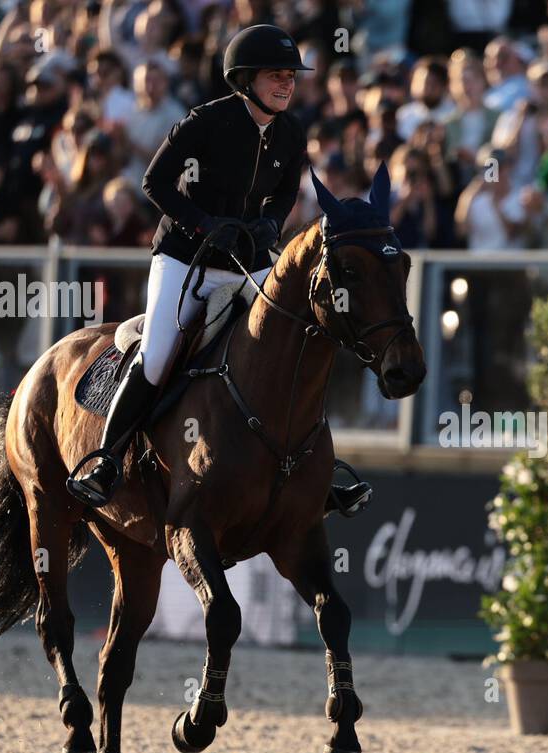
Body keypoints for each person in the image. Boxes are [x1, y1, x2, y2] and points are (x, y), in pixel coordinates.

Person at [67, 25, 369, 519]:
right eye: (277, 75)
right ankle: (106, 459)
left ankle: (317, 475)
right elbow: (153, 181)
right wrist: (206, 223)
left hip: (246, 261)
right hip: (184, 258)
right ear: (245, 79)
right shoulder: (205, 122)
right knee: (160, 353)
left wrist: (270, 224)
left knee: (292, 346)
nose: (288, 84)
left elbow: (286, 195)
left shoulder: (290, 132)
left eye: (291, 76)